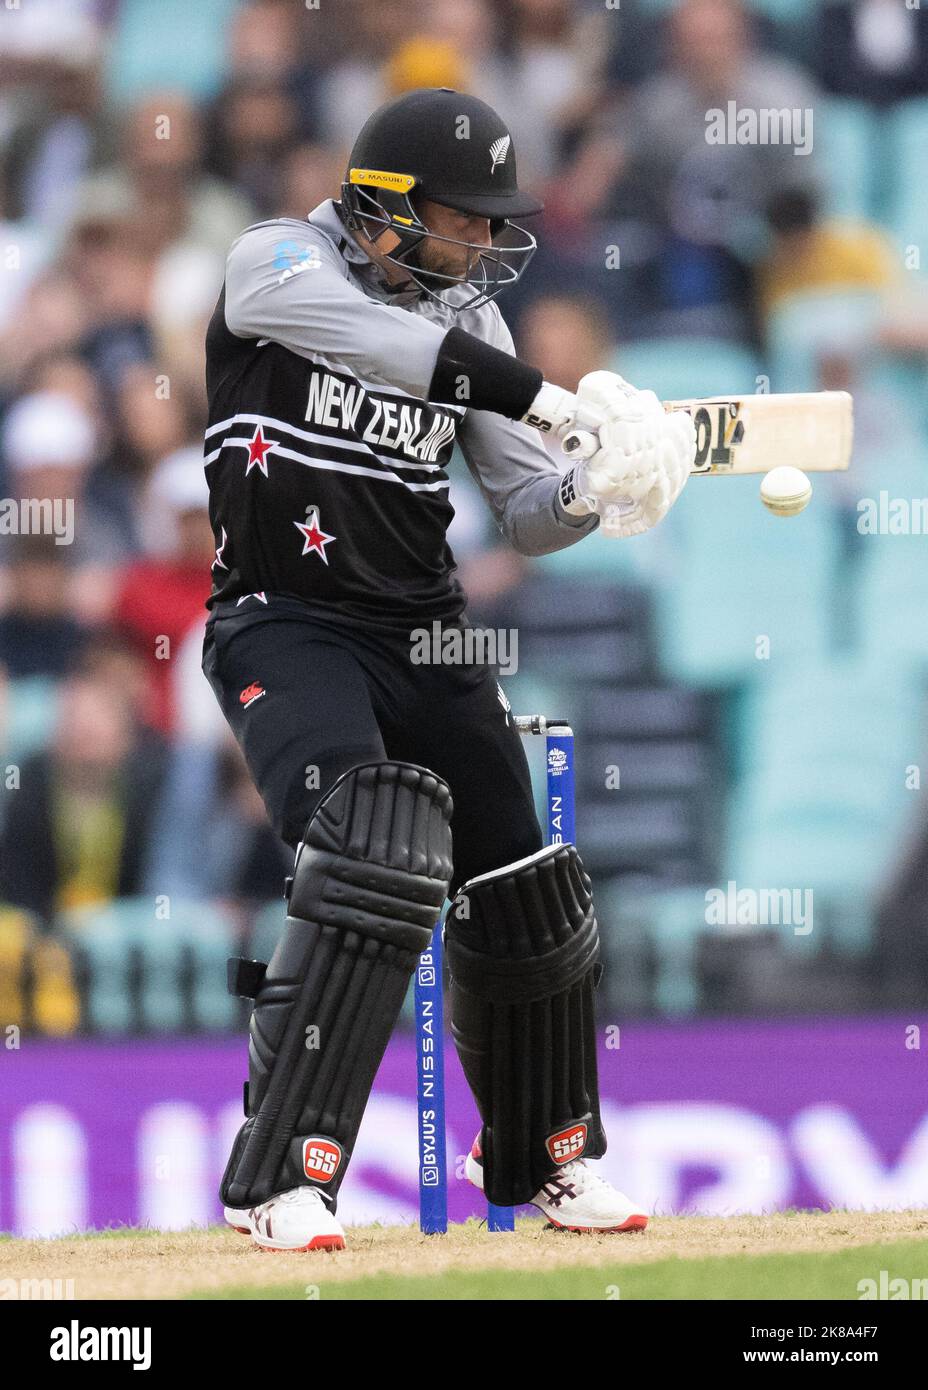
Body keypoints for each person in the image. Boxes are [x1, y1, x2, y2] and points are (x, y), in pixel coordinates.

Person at [202, 87, 694, 1251]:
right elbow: (379, 342)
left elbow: (523, 512)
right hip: (286, 622)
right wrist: (554, 401)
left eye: (491, 223)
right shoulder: (272, 261)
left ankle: (542, 1154)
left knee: (529, 884)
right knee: (373, 846)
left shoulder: (475, 319)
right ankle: (286, 1170)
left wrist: (591, 489)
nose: (482, 243)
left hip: (426, 631)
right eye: (464, 219)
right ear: (384, 205)